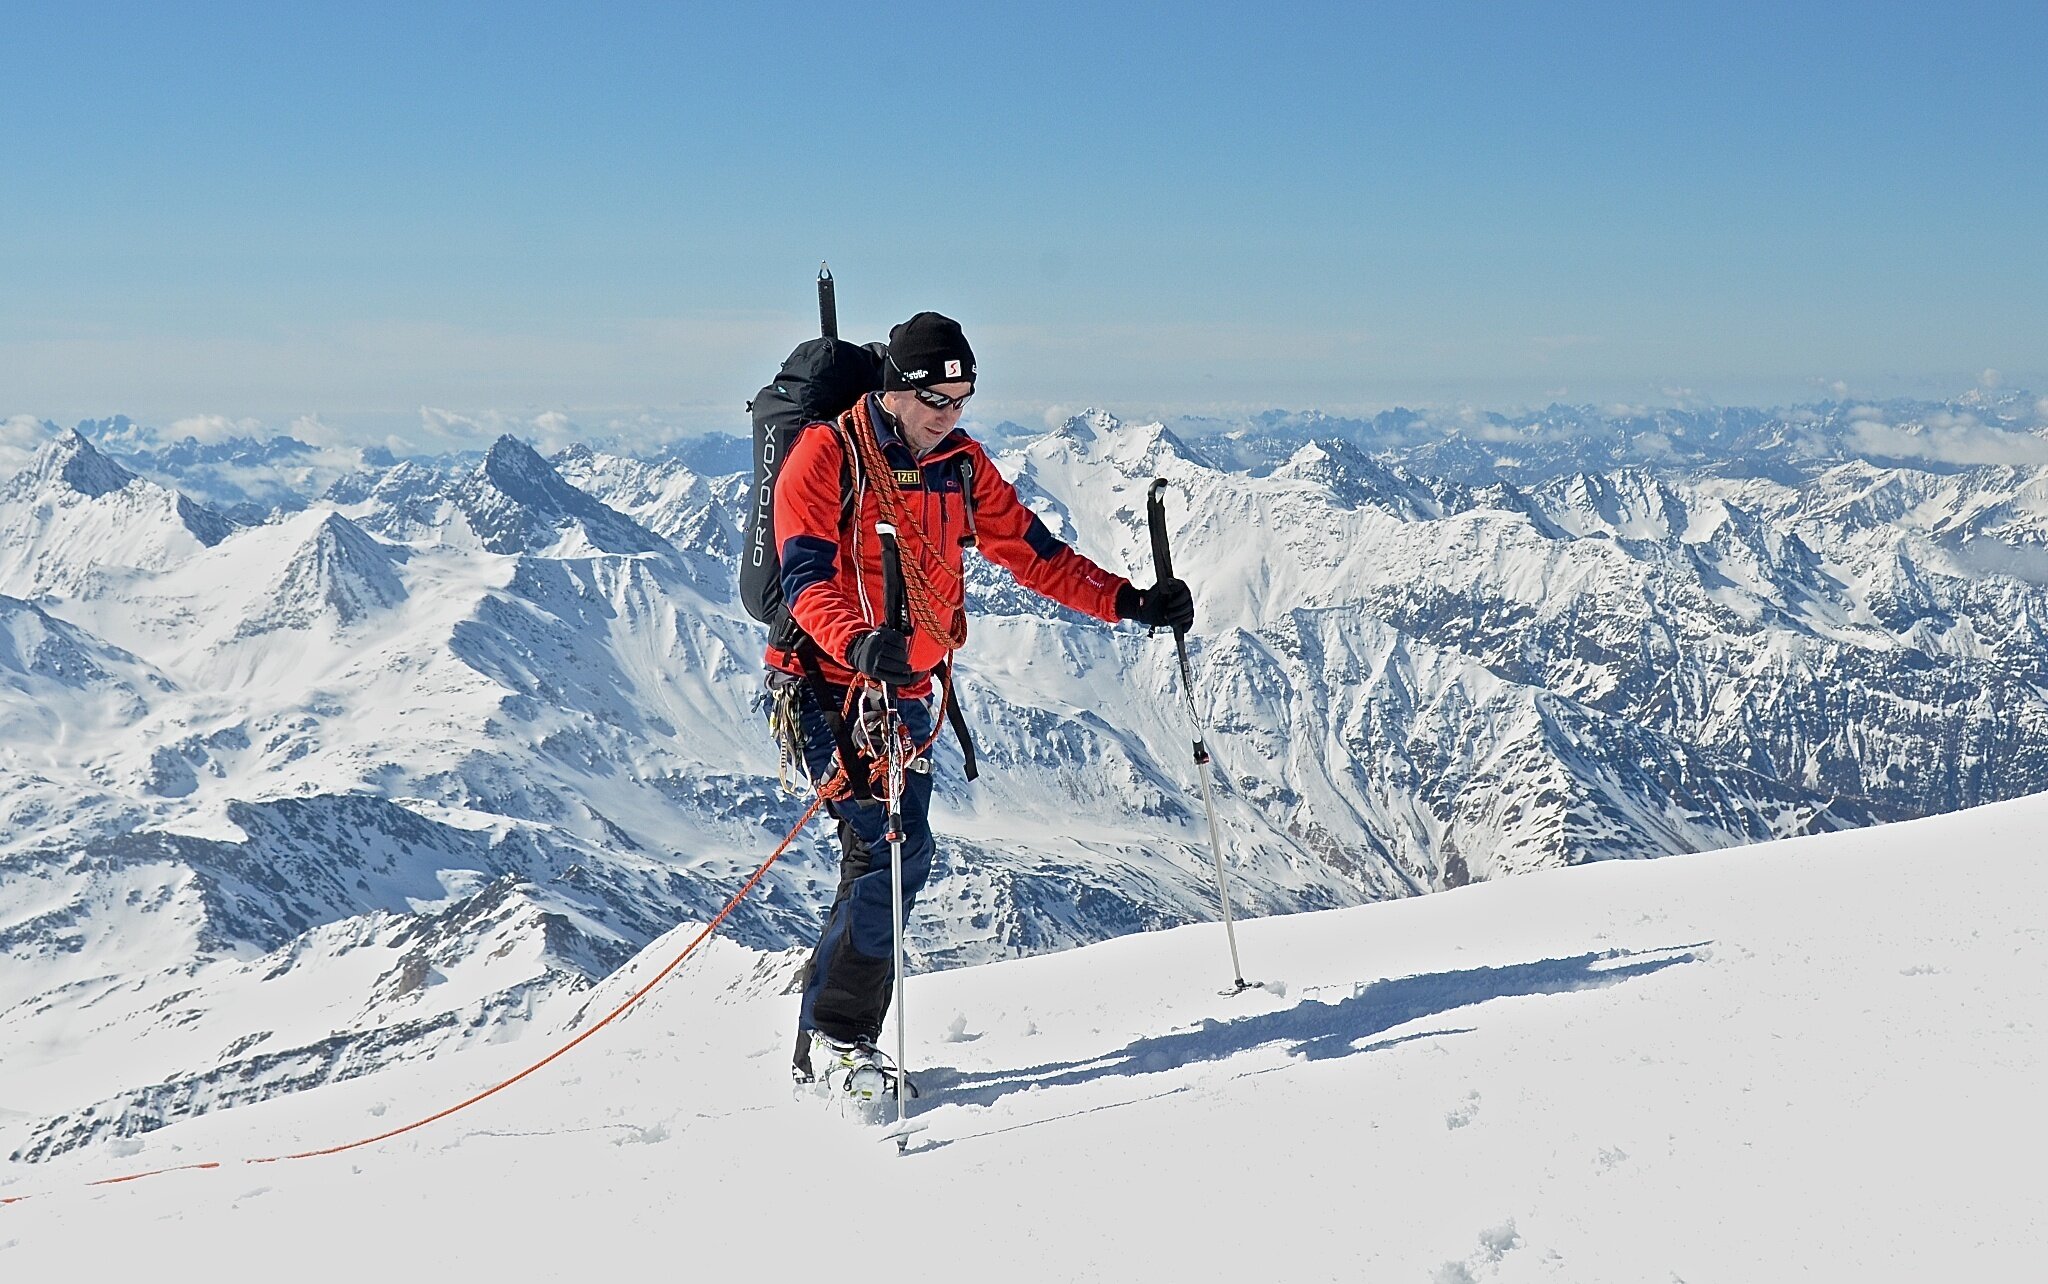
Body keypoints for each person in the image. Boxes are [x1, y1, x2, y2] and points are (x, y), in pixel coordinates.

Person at [766, 310, 1193, 1091]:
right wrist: (858, 642)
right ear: (894, 393)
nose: (950, 414)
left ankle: (825, 1037)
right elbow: (804, 576)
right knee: (892, 852)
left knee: (886, 857)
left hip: (906, 692)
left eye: (963, 398)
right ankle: (837, 1038)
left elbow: (1033, 555)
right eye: (938, 399)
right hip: (831, 688)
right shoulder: (827, 457)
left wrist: (1127, 602)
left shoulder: (961, 467)